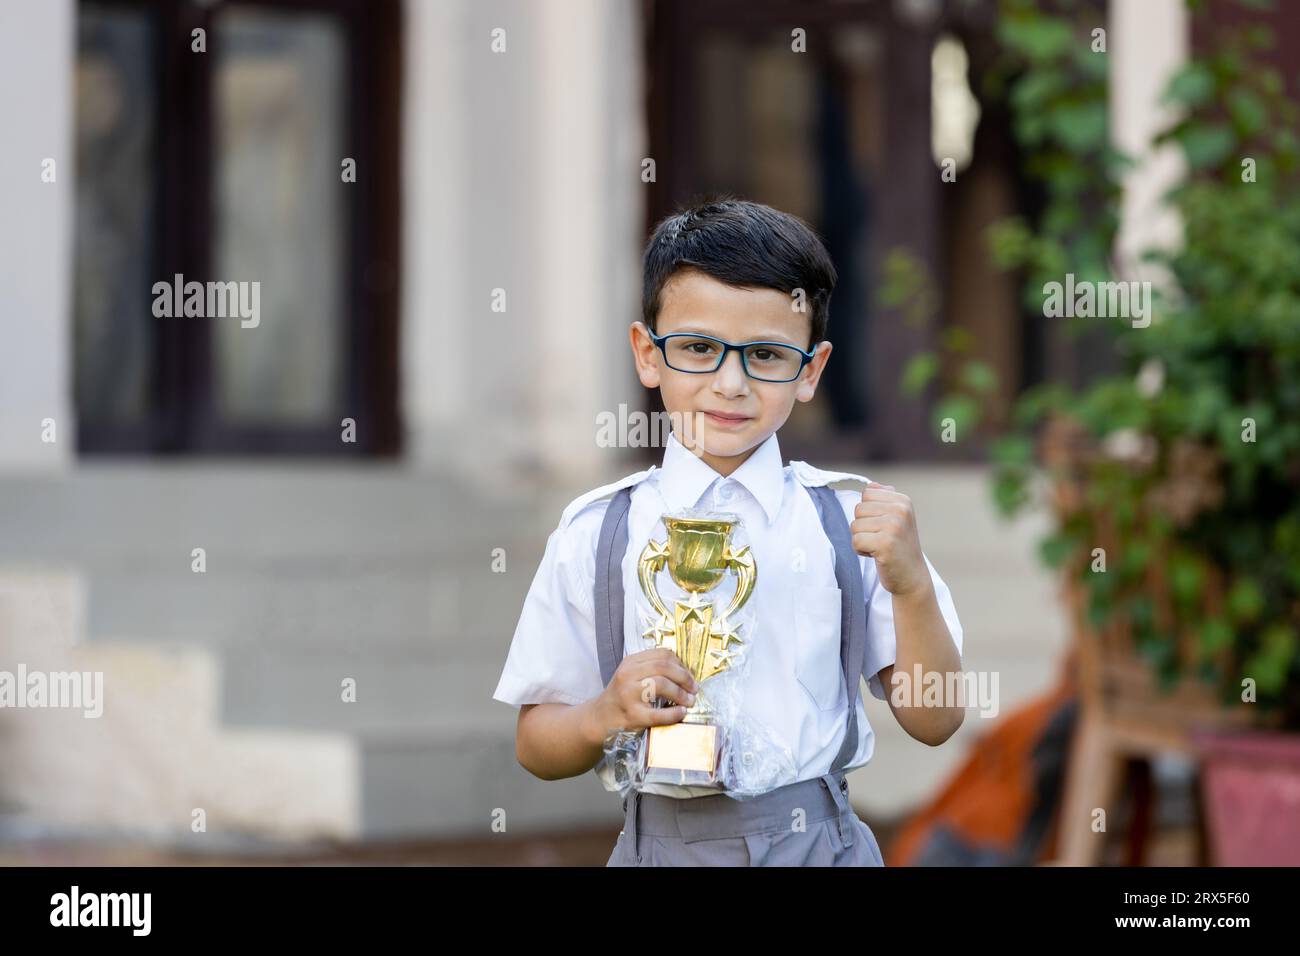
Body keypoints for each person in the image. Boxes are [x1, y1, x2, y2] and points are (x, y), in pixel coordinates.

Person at [493, 198, 964, 866]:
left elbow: (937, 720)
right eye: (698, 349)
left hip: (817, 845)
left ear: (810, 369)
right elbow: (536, 745)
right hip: (661, 845)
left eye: (766, 355)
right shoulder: (598, 532)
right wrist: (604, 714)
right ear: (647, 354)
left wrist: (912, 586)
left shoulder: (847, 521)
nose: (730, 383)